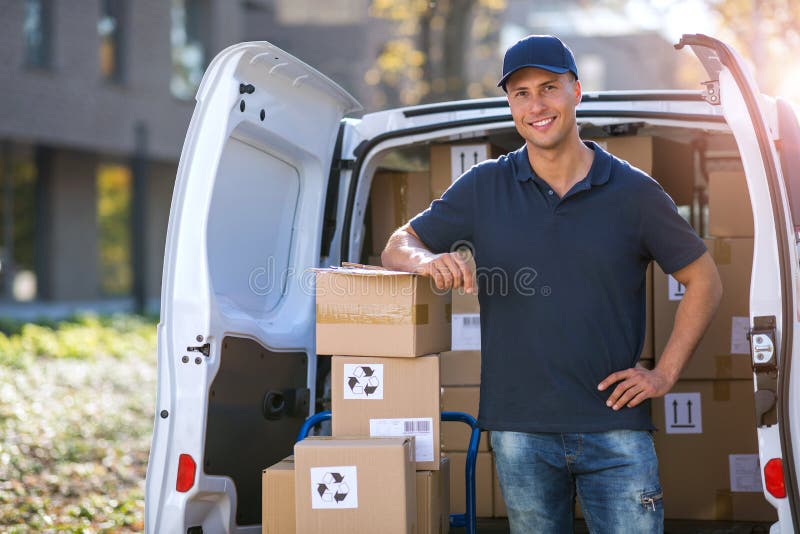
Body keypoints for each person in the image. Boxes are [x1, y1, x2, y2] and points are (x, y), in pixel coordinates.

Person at [381, 35, 723, 533]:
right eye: (521, 94)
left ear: (577, 92)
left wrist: (664, 374)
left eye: (549, 88)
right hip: (521, 432)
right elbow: (397, 245)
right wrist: (428, 260)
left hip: (616, 431)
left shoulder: (633, 193)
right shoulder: (483, 187)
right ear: (509, 105)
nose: (536, 105)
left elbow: (704, 281)